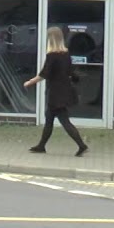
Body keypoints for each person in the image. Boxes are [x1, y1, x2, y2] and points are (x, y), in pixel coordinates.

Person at [23, 26, 89, 156]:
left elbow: (44, 74)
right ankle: (41, 146)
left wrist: (30, 82)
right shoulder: (65, 53)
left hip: (55, 94)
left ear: (51, 39)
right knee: (49, 119)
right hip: (64, 91)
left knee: (64, 121)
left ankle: (82, 145)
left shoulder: (52, 55)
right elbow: (71, 72)